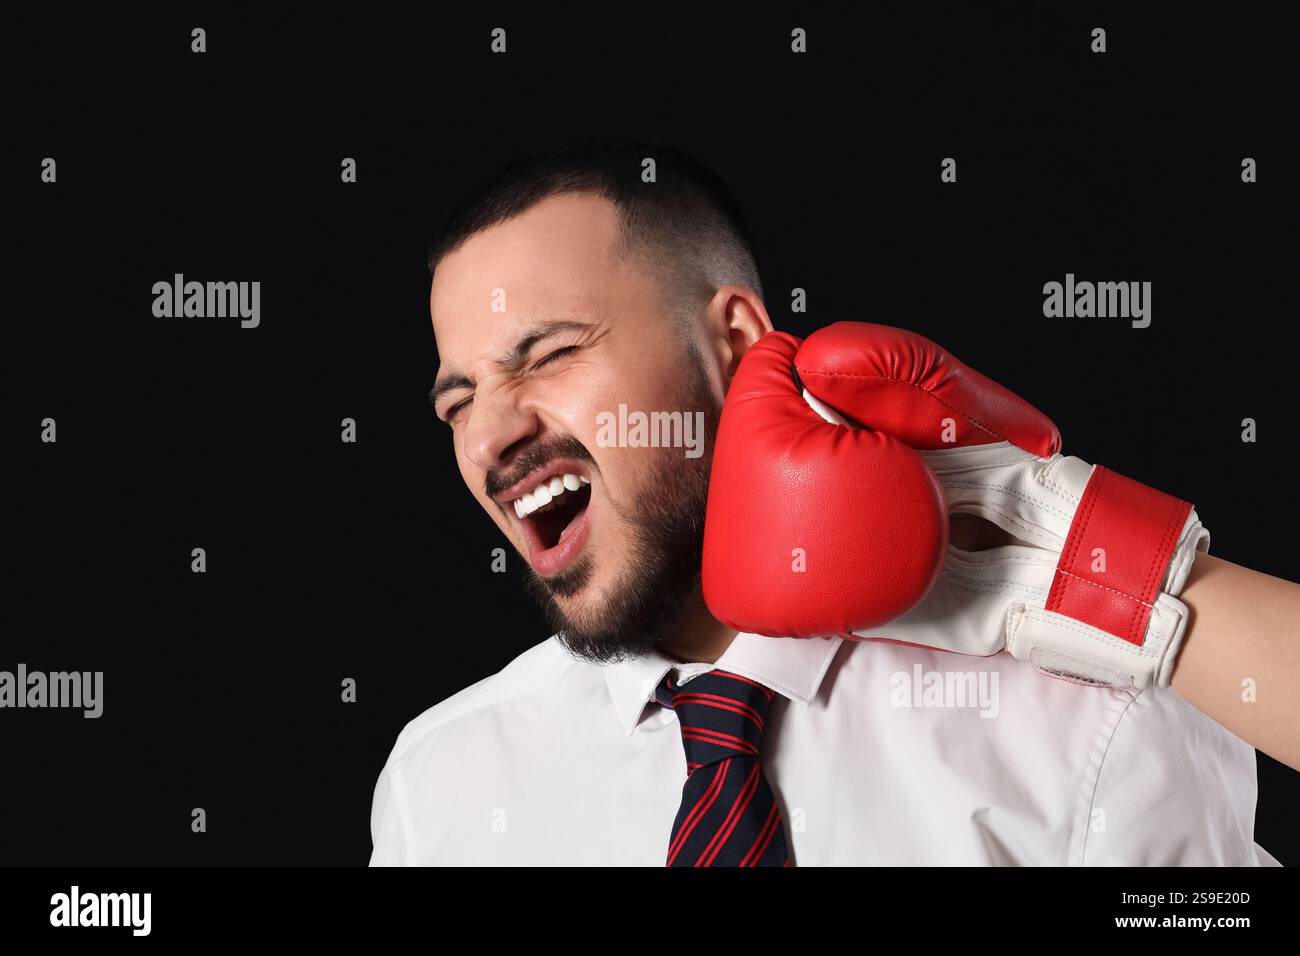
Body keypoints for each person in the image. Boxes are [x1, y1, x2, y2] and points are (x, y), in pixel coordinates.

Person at [369, 137, 1290, 866]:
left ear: (732, 344)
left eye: (549, 354)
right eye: (458, 402)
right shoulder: (441, 784)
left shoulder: (1089, 721)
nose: (488, 438)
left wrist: (1084, 563)